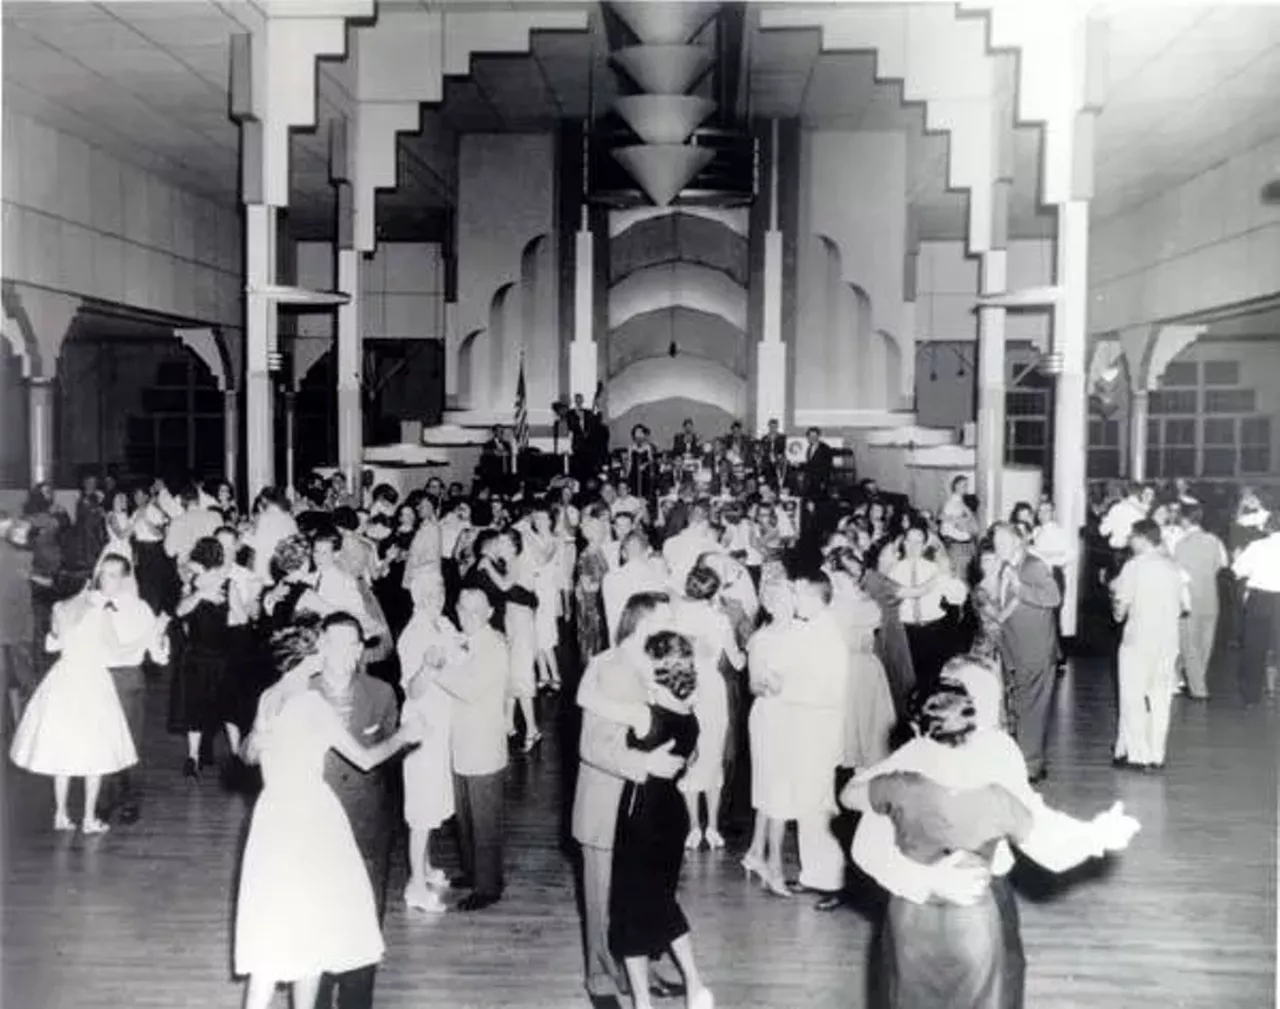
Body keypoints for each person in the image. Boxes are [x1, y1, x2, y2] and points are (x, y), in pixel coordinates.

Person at [844, 670, 1140, 1009]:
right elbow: (1051, 850)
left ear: (918, 728)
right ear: (971, 727)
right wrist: (1097, 835)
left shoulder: (897, 783)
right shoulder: (994, 795)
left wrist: (926, 879)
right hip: (975, 918)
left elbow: (850, 799)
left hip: (911, 917)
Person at [234, 619, 421, 1009]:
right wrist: (403, 736)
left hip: (272, 817)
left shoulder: (269, 696)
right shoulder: (312, 704)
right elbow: (366, 760)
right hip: (311, 818)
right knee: (314, 934)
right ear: (308, 658)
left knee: (274, 931)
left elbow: (253, 749)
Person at [572, 591, 686, 1002]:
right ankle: (602, 980)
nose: (675, 629)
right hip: (606, 807)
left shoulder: (650, 666)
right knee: (602, 902)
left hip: (640, 811)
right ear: (641, 625)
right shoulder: (611, 669)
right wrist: (644, 764)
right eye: (666, 620)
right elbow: (593, 747)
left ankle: (641, 970)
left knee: (640, 894)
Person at [608, 630, 714, 1009]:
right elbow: (693, 761)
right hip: (672, 816)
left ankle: (646, 1001)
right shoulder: (691, 715)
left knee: (632, 908)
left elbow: (592, 703)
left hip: (641, 817)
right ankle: (696, 987)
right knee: (660, 900)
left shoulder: (644, 715)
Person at [10, 559, 143, 834]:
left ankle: (61, 815)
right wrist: (145, 641)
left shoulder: (58, 609)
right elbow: (117, 649)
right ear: (85, 584)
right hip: (93, 680)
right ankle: (88, 819)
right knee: (95, 753)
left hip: (63, 680)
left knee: (64, 751)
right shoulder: (99, 612)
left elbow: (55, 642)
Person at [313, 612, 401, 1009]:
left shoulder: (381, 693)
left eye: (355, 644)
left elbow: (389, 762)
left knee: (363, 924)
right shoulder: (300, 693)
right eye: (337, 643)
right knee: (316, 922)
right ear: (320, 646)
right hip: (314, 825)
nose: (347, 653)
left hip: (367, 826)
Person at [436, 588, 511, 911]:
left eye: (475, 610)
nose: (468, 616)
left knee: (484, 821)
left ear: (490, 612)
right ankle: (474, 872)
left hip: (483, 743)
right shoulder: (470, 642)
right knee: (466, 817)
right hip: (464, 740)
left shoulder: (493, 646)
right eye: (463, 609)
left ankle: (488, 887)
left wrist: (436, 671)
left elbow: (469, 689)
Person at [397, 572, 466, 913]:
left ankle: (424, 867)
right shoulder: (413, 635)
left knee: (434, 801)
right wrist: (427, 667)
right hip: (422, 727)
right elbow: (413, 690)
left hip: (443, 724)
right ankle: (415, 886)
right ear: (415, 596)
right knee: (421, 810)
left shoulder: (443, 624)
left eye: (439, 589)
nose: (435, 596)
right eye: (427, 592)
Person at [672, 563, 744, 851]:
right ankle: (713, 828)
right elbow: (737, 662)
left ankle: (693, 828)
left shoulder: (675, 618)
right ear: (714, 591)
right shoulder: (719, 620)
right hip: (712, 689)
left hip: (683, 686)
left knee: (691, 755)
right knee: (713, 756)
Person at [1110, 519, 1184, 771]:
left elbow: (1119, 611)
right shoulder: (1174, 567)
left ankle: (1137, 755)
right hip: (1167, 641)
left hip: (1138, 640)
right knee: (1160, 698)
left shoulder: (1134, 567)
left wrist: (1113, 597)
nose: (1130, 541)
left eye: (1132, 536)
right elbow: (1184, 607)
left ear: (1142, 538)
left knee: (1133, 696)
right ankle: (1157, 755)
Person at [742, 580, 799, 896]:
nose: (787, 607)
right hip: (771, 715)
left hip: (795, 715)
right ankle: (775, 868)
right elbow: (753, 684)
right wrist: (775, 686)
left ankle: (754, 853)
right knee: (778, 790)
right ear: (770, 605)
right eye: (780, 602)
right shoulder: (761, 639)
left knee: (772, 786)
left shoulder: (803, 635)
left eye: (790, 600)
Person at [992, 523, 1060, 782]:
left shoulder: (1033, 565)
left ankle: (1030, 766)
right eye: (996, 541)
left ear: (1018, 542)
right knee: (1022, 707)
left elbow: (1053, 597)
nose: (997, 546)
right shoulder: (1007, 567)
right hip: (1016, 648)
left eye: (1002, 541)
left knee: (1032, 709)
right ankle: (1029, 761)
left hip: (1035, 650)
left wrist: (1019, 586)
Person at [1172, 504, 1227, 701]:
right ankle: (1189, 679)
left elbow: (1175, 572)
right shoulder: (1214, 540)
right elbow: (1223, 564)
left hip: (1187, 600)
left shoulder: (1180, 544)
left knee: (1188, 644)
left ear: (1185, 520)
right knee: (1205, 644)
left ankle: (1198, 689)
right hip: (1211, 598)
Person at [1231, 514, 1280, 706]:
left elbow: (1237, 571)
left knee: (1254, 648)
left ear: (1268, 527)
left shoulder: (1257, 546)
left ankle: (1250, 697)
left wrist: (1237, 556)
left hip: (1260, 599)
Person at [939, 475, 979, 577]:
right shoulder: (951, 503)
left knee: (966, 575)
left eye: (966, 485)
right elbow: (943, 522)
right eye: (963, 485)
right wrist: (959, 522)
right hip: (957, 545)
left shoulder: (961, 502)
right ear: (956, 486)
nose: (966, 487)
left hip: (965, 544)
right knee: (959, 576)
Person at [801, 427, 834, 500]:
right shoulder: (809, 448)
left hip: (820, 481)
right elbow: (811, 464)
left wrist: (823, 482)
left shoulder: (825, 448)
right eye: (810, 436)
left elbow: (828, 467)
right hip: (811, 481)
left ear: (818, 436)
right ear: (808, 437)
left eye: (815, 436)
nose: (812, 438)